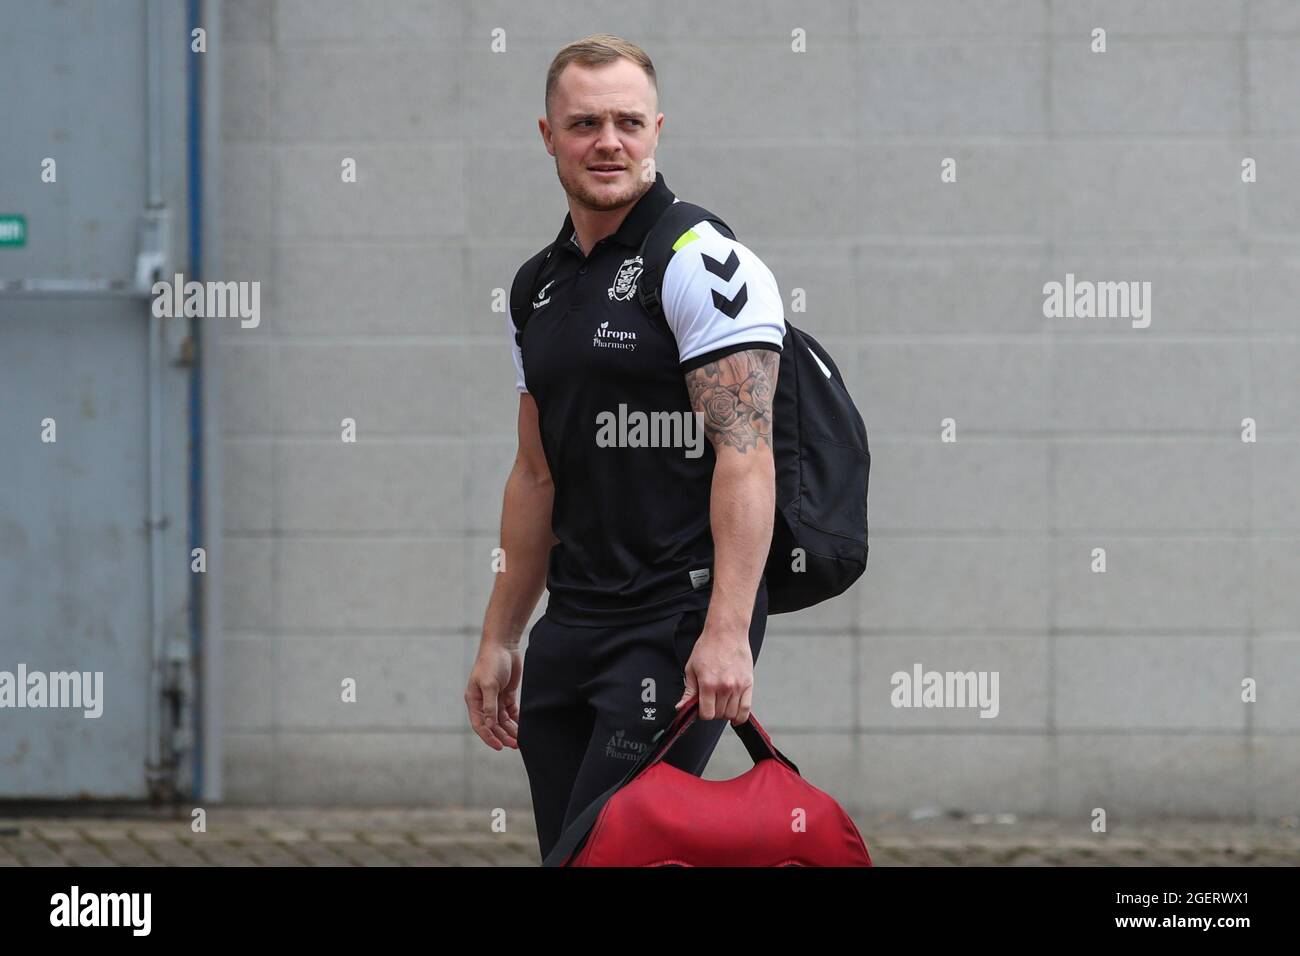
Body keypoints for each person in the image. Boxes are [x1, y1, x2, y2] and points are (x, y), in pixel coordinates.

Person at [463, 34, 786, 863]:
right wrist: (502, 635)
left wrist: (727, 631)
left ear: (657, 130)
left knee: (604, 856)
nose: (608, 141)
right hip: (573, 623)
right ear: (547, 136)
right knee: (567, 853)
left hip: (673, 624)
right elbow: (535, 475)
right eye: (584, 124)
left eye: (628, 122)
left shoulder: (700, 262)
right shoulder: (537, 285)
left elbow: (746, 456)